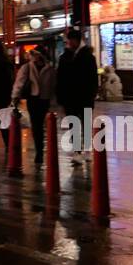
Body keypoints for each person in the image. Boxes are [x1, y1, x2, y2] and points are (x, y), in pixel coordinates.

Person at [55, 28, 98, 165]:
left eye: (71, 40)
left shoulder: (88, 57)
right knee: (74, 125)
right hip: (70, 97)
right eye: (68, 40)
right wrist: (60, 98)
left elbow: (93, 78)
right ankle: (77, 152)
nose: (69, 43)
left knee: (86, 124)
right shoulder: (64, 57)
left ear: (77, 40)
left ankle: (87, 151)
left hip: (85, 96)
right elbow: (60, 78)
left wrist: (92, 94)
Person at [14, 47, 55, 164]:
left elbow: (53, 85)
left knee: (41, 124)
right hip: (33, 98)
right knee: (36, 125)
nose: (35, 56)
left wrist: (54, 102)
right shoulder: (27, 67)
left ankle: (40, 149)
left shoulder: (49, 68)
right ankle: (39, 151)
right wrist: (15, 96)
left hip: (44, 99)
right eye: (34, 54)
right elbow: (19, 83)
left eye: (37, 54)